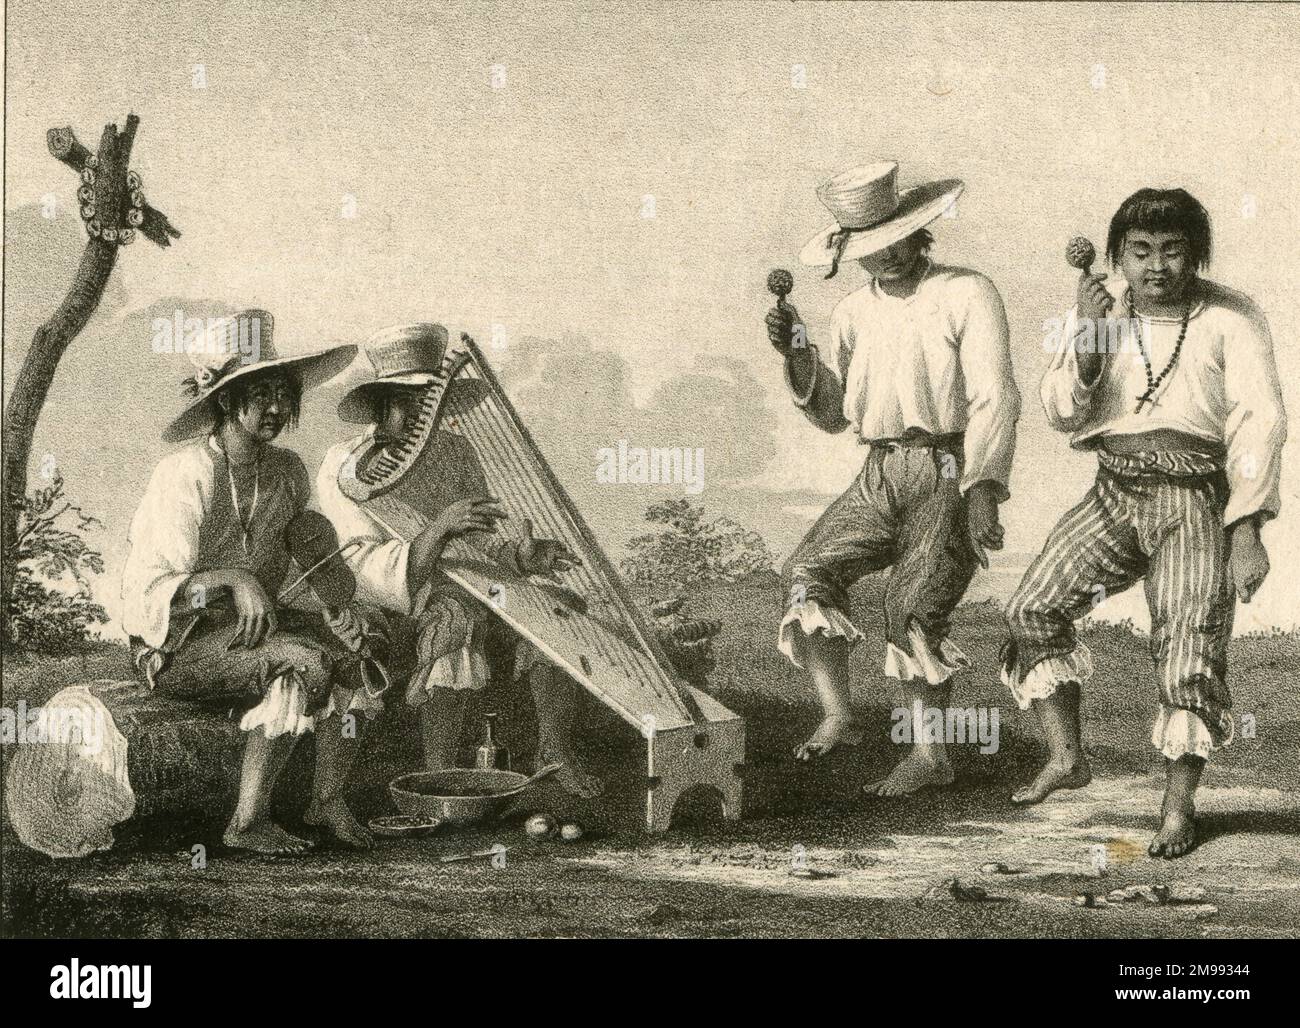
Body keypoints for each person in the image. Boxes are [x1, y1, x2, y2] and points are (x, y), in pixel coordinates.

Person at [1003, 188, 1286, 858]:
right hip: (1114, 489)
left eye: (1172, 249)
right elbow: (1061, 412)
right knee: (1032, 607)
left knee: (1189, 653)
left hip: (1194, 500)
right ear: (1119, 256)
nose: (1156, 265)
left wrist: (1245, 530)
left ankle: (1178, 810)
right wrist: (1089, 344)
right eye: (1141, 251)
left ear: (1195, 253)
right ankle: (1068, 757)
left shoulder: (1231, 316)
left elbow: (1260, 423)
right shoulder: (1103, 311)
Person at [767, 161, 1021, 796]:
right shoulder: (852, 311)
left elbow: (996, 396)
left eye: (892, 242)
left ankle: (932, 756)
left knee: (909, 607)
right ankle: (839, 713)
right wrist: (798, 356)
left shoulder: (968, 291)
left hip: (945, 470)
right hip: (877, 472)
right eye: (866, 249)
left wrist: (984, 488)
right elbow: (833, 414)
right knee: (808, 571)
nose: (881, 257)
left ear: (919, 233)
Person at [122, 309, 384, 853]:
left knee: (361, 660)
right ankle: (247, 822)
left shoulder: (287, 470)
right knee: (299, 661)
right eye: (260, 394)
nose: (276, 408)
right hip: (180, 643)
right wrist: (234, 579)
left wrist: (339, 594)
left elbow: (315, 566)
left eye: (284, 394)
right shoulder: (185, 472)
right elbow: (149, 590)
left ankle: (326, 799)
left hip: (251, 630)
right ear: (224, 399)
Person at [316, 323, 604, 797]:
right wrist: (440, 529)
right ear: (382, 404)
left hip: (467, 582)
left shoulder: (456, 450)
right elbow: (362, 566)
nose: (425, 416)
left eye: (430, 402)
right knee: (457, 620)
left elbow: (483, 545)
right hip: (394, 593)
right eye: (412, 403)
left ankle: (554, 751)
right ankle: (438, 778)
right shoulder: (345, 466)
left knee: (558, 605)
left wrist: (523, 557)